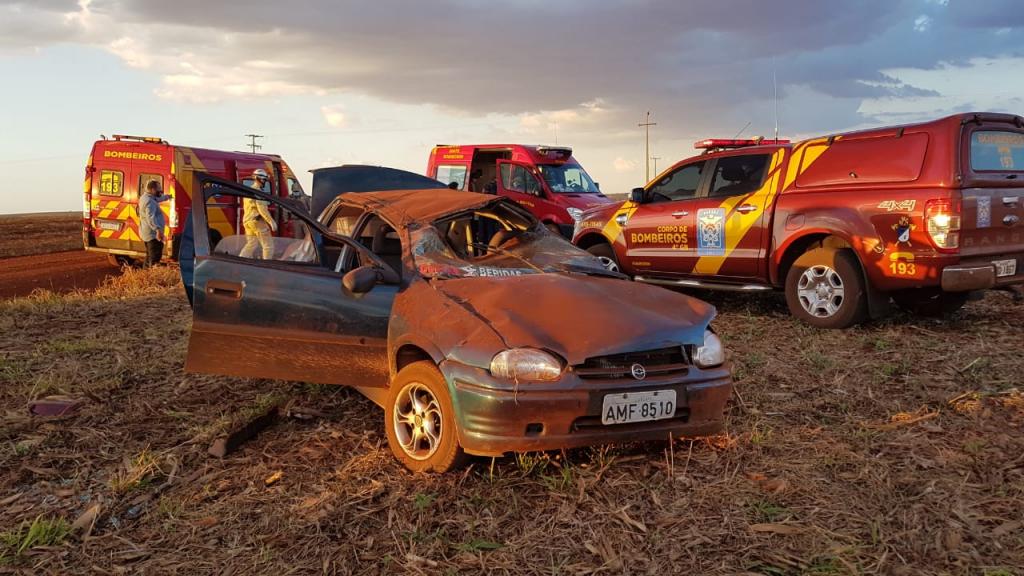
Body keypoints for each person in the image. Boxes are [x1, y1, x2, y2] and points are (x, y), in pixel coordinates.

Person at [239, 168, 278, 259]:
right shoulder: (258, 192)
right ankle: (267, 266)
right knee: (268, 246)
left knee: (251, 244)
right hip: (257, 221)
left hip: (247, 221)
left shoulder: (249, 190)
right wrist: (271, 222)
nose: (265, 181)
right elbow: (262, 209)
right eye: (264, 179)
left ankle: (241, 260)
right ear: (259, 178)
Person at [138, 179, 171, 267]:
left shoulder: (145, 197)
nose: (160, 191)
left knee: (149, 256)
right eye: (159, 189)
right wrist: (157, 230)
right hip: (152, 234)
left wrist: (168, 196)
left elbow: (158, 198)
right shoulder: (150, 202)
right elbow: (150, 218)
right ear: (152, 190)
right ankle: (149, 275)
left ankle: (145, 275)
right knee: (154, 258)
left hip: (147, 233)